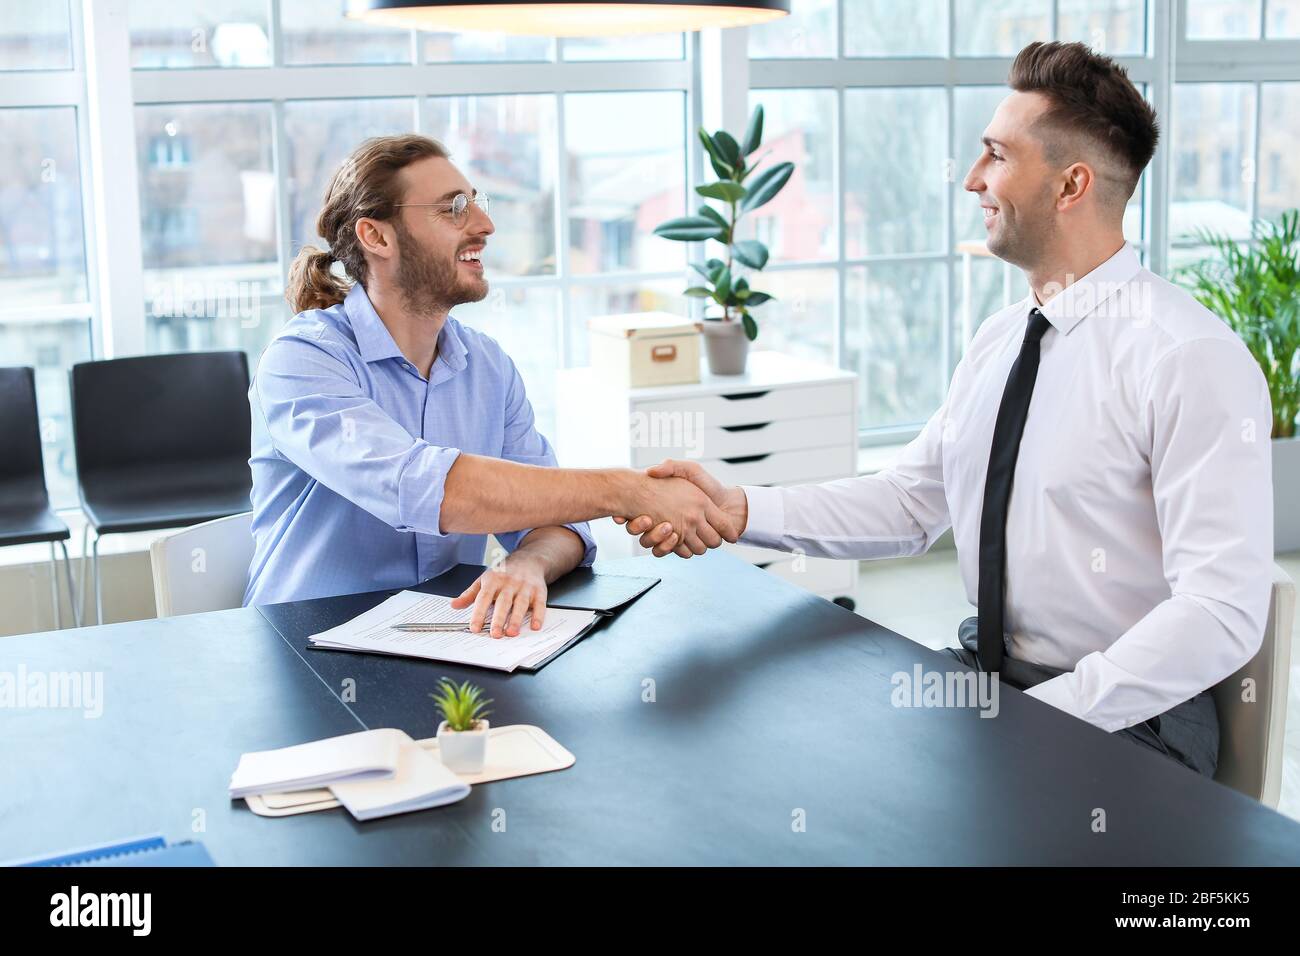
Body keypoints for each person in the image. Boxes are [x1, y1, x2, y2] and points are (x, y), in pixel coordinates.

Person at [620, 42, 1274, 777]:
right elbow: (910, 504)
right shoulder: (1003, 338)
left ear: (1071, 185)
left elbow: (1222, 608)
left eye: (996, 156)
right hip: (986, 677)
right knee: (793, 760)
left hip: (1129, 720)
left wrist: (1049, 715)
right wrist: (740, 509)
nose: (972, 181)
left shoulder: (1187, 358)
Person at [245, 134, 738, 634]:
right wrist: (627, 490)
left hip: (435, 635)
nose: (484, 225)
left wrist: (526, 563)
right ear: (377, 237)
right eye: (453, 208)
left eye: (476, 203)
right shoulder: (302, 360)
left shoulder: (487, 365)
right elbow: (427, 489)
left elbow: (559, 525)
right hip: (302, 644)